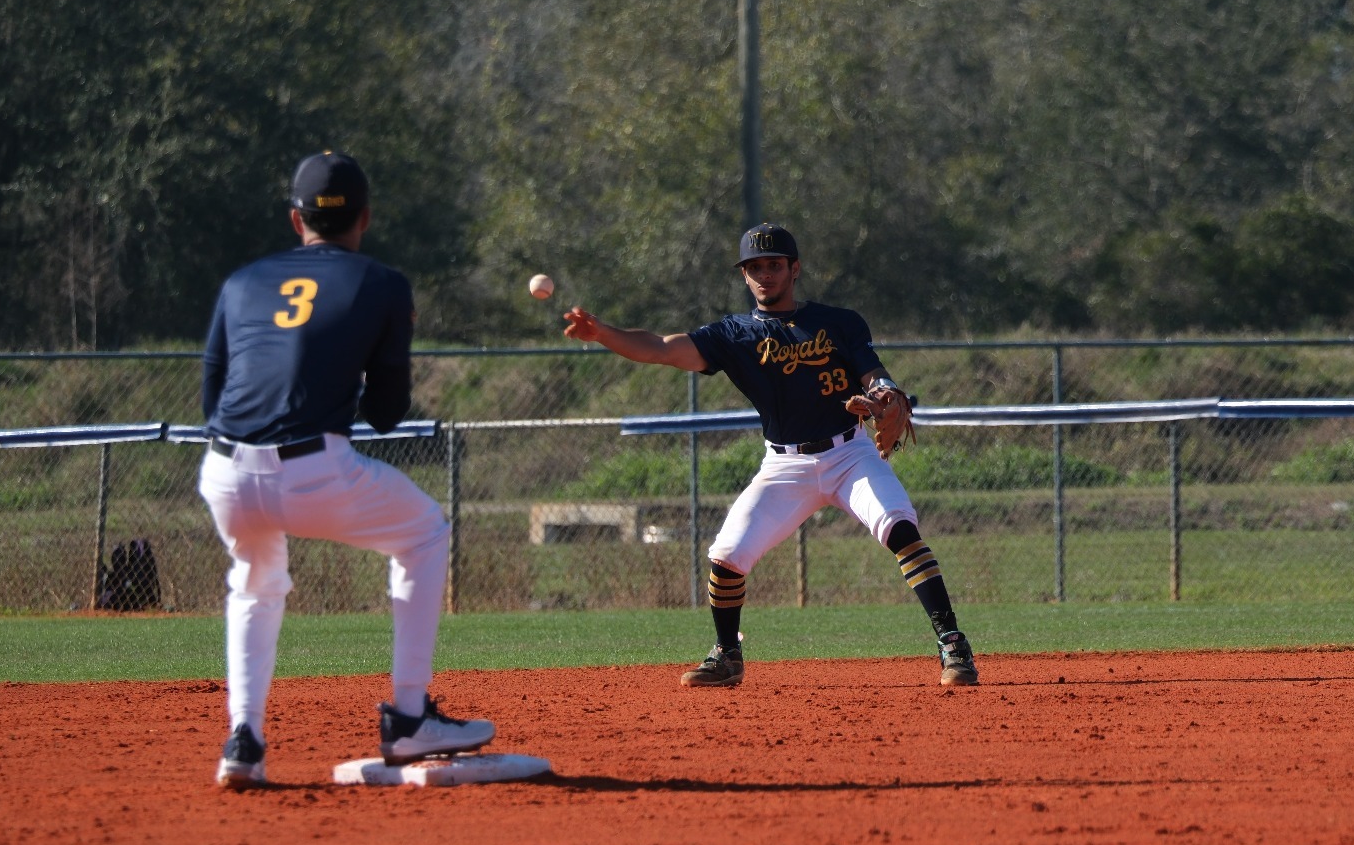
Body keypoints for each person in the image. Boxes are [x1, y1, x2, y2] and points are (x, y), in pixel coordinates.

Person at [561, 223, 979, 688]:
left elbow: (875, 376)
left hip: (849, 454)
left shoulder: (838, 321)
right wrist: (602, 332)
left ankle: (952, 644)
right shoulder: (733, 335)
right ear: (744, 276)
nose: (765, 273)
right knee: (727, 556)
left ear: (794, 269)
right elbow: (661, 348)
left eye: (774, 264)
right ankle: (727, 655)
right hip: (785, 465)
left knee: (899, 528)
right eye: (754, 266)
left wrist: (886, 397)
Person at [199, 151, 494, 787]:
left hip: (223, 470)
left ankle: (243, 741)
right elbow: (388, 414)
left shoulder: (241, 281)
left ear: (294, 219)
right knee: (422, 531)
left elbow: (213, 398)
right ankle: (409, 718)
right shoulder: (381, 282)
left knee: (254, 582)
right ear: (365, 217)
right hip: (312, 471)